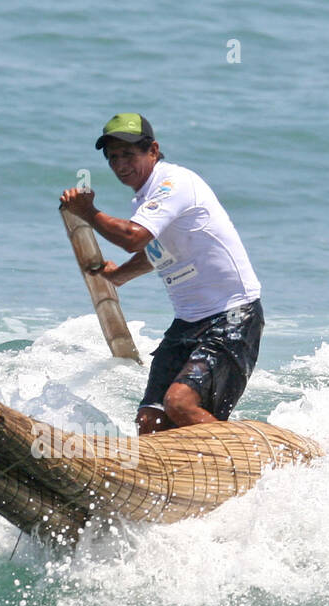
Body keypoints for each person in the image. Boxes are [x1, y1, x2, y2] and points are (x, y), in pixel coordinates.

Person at [59, 113, 264, 435]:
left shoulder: (174, 184)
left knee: (180, 404)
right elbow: (162, 251)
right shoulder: (147, 197)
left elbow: (133, 237)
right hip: (188, 323)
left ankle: (253, 457)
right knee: (149, 422)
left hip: (232, 316)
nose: (120, 165)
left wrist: (89, 212)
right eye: (113, 157)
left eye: (129, 154)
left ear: (153, 150)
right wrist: (121, 276)